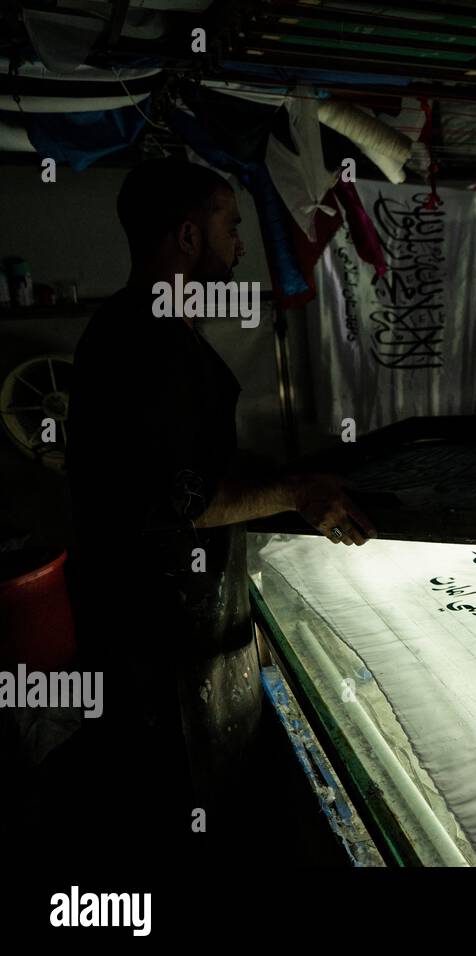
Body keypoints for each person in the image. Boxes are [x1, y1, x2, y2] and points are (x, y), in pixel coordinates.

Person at [62, 158, 376, 862]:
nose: (240, 243)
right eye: (230, 226)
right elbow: (179, 498)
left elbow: (186, 468)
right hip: (161, 661)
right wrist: (298, 493)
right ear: (186, 235)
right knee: (177, 825)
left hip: (161, 641)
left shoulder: (139, 329)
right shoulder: (146, 344)